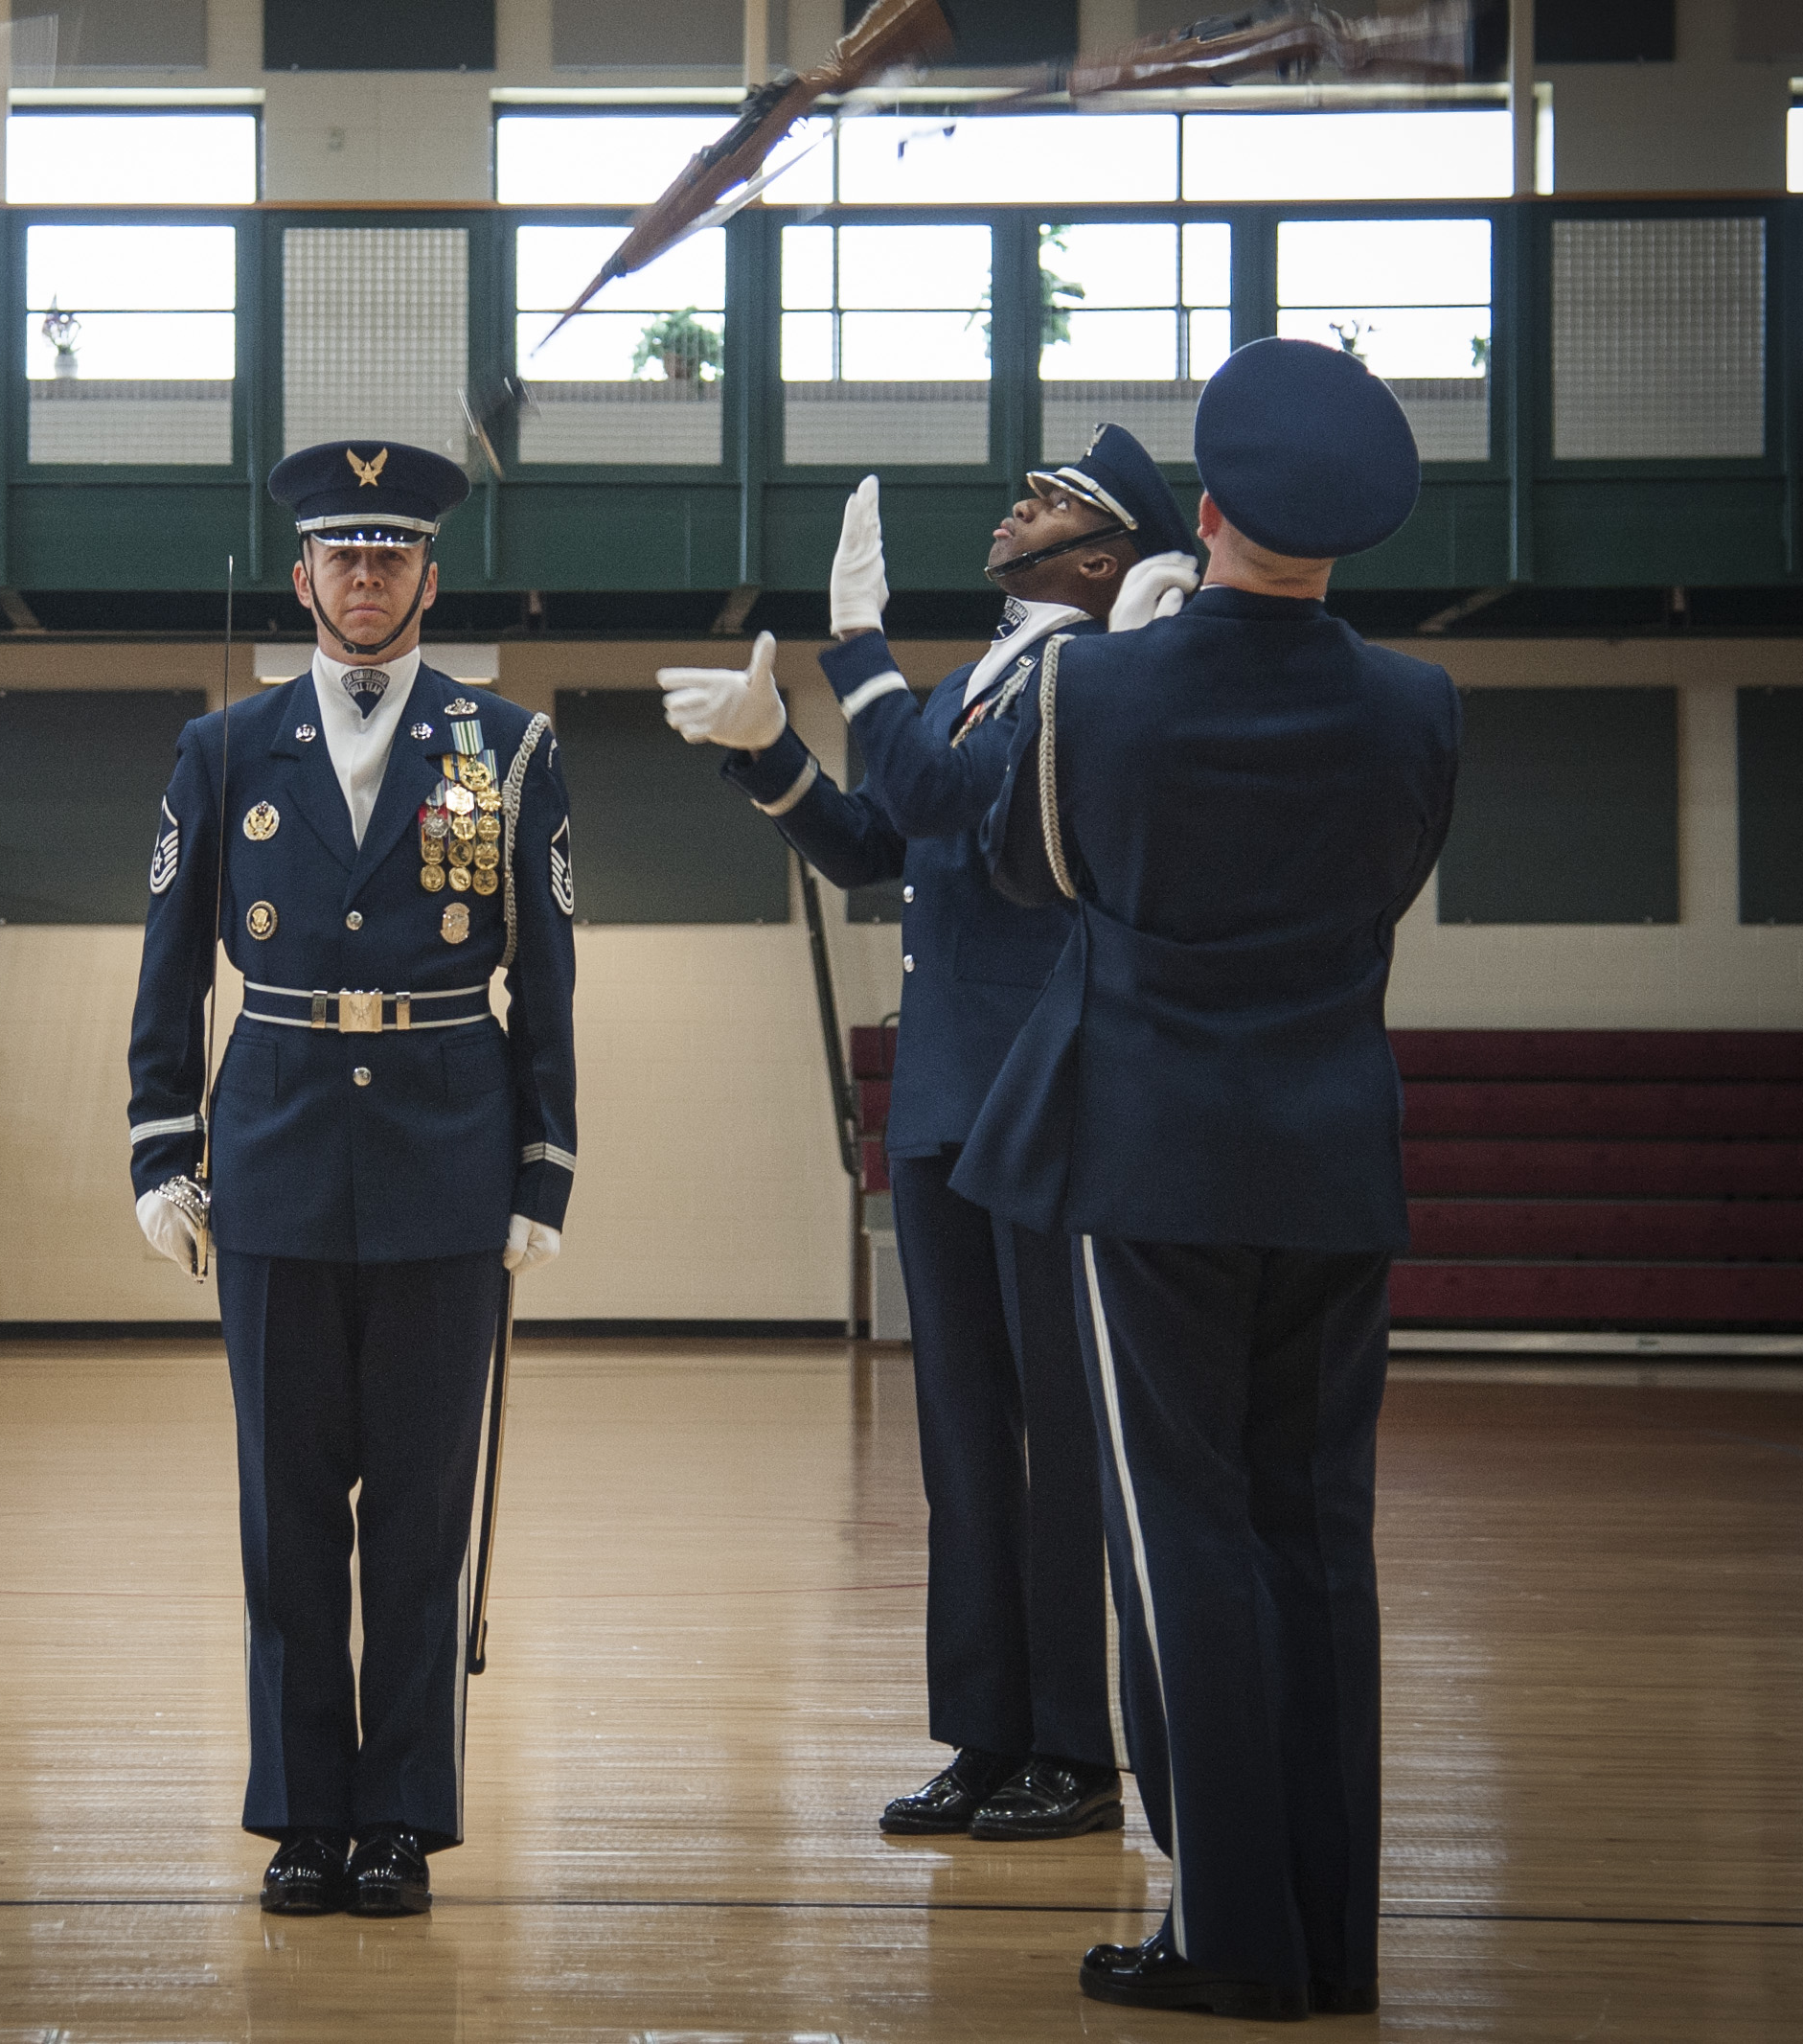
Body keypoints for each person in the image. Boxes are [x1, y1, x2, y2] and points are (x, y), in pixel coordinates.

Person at [962, 339, 1460, 2022]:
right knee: (1319, 1536)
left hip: (1154, 1152)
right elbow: (1386, 884)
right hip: (1332, 1154)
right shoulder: (1416, 702)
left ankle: (1229, 1930)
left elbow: (1028, 868)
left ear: (1213, 508)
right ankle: (1330, 1934)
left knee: (1186, 1542)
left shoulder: (1097, 685)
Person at [657, 426, 1198, 1845]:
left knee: (1061, 1438)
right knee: (963, 1438)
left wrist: (858, 650)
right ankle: (988, 1732)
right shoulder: (986, 682)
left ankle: (1077, 1752)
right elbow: (877, 843)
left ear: (1103, 556)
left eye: (1052, 500)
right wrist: (769, 753)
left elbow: (946, 795)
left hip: (1050, 1097)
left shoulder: (1103, 675)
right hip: (951, 1095)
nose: (1016, 506)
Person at [125, 440, 577, 1920]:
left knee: (424, 1519)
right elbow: (172, 964)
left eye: (393, 553)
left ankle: (401, 1816)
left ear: (429, 577)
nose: (367, 575)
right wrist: (159, 1145)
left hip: (449, 1160)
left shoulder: (506, 743)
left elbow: (549, 977)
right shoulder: (225, 748)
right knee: (288, 1511)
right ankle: (302, 1814)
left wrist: (543, 1167)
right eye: (343, 552)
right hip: (275, 1157)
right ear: (302, 574)